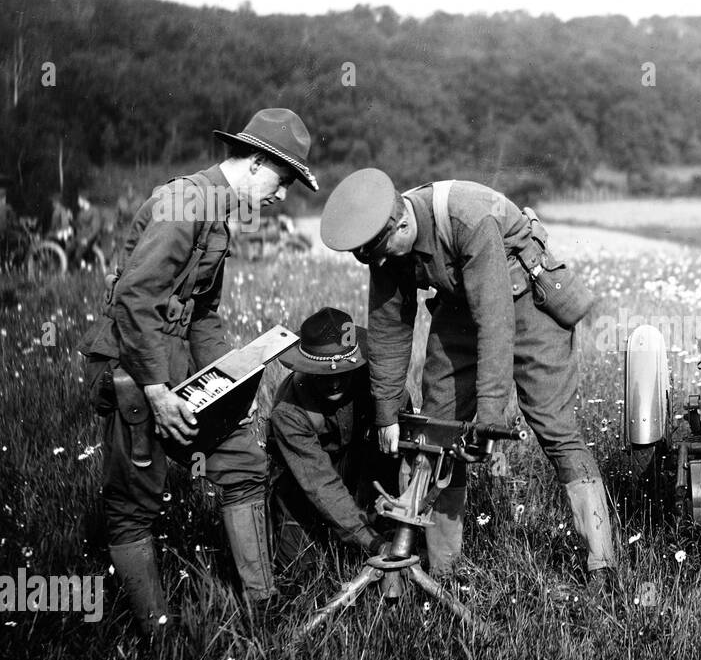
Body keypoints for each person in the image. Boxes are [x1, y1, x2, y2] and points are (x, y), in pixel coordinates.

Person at [78, 108, 318, 633]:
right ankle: (157, 639)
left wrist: (232, 382)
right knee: (134, 506)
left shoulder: (216, 213)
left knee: (244, 466)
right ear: (255, 163)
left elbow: (202, 315)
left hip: (178, 370)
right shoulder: (184, 203)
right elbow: (135, 301)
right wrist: (159, 392)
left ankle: (261, 610)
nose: (283, 195)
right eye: (283, 179)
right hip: (135, 373)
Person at [319, 169, 617, 589]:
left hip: (525, 301)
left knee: (554, 427)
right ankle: (445, 570)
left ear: (403, 222)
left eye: (385, 255)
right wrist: (386, 412)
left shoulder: (468, 219)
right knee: (437, 432)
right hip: (460, 305)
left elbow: (495, 321)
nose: (382, 266)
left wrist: (491, 418)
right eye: (373, 260)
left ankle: (601, 563)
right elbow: (388, 328)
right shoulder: (384, 237)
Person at [267, 307, 396, 572]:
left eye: (342, 373)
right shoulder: (288, 413)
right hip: (302, 487)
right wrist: (372, 542)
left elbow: (400, 412)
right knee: (302, 571)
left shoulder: (371, 381)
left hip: (357, 473)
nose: (335, 383)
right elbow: (320, 484)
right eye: (325, 374)